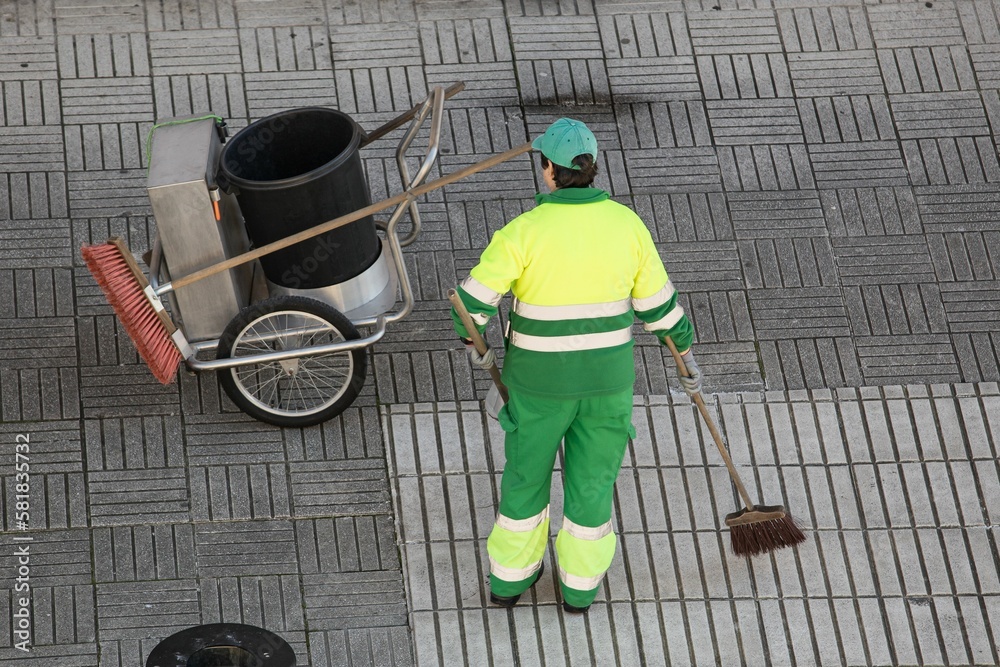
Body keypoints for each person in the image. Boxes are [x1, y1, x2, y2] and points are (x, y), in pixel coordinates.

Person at [450, 118, 702, 613]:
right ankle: (580, 589)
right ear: (592, 170)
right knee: (591, 484)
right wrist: (686, 359)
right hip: (607, 386)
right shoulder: (628, 225)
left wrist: (476, 348)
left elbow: (469, 306)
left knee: (526, 479)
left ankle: (507, 584)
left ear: (548, 171)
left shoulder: (523, 232)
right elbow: (660, 310)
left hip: (537, 386)